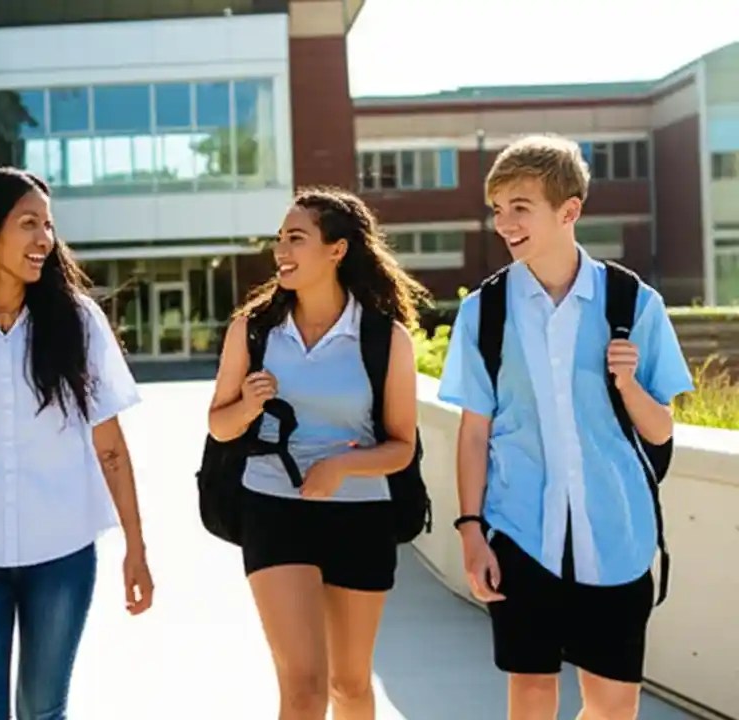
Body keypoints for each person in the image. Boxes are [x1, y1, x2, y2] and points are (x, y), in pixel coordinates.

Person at [437, 134, 694, 720]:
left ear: (568, 210)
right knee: (530, 695)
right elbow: (474, 432)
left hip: (617, 533)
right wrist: (471, 532)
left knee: (611, 707)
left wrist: (629, 386)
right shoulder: (486, 312)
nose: (504, 223)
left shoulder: (634, 304)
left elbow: (660, 432)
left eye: (519, 207)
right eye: (497, 209)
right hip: (521, 529)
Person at [0, 166, 155, 720]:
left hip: (61, 552)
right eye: (28, 224)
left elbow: (110, 445)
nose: (44, 239)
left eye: (48, 225)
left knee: (43, 710)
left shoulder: (79, 323)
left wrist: (136, 547)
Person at [207, 186, 426, 719]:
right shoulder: (254, 329)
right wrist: (249, 405)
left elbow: (401, 447)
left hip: (360, 516)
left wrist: (343, 466)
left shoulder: (382, 338)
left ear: (337, 250)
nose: (281, 250)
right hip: (273, 507)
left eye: (296, 238)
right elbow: (218, 425)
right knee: (304, 687)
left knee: (349, 686)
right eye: (280, 239)